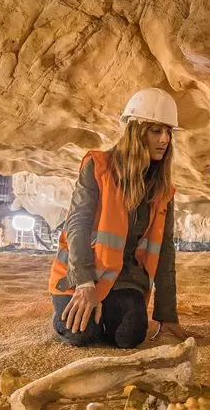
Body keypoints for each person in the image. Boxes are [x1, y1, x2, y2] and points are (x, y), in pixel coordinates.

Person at [48, 88, 187, 348]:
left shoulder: (163, 189)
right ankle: (68, 310)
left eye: (168, 132)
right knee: (81, 333)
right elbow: (77, 225)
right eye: (156, 130)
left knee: (129, 336)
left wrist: (167, 314)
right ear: (136, 130)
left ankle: (105, 315)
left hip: (125, 280)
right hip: (82, 273)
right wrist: (85, 284)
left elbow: (165, 250)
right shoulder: (97, 167)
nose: (165, 139)